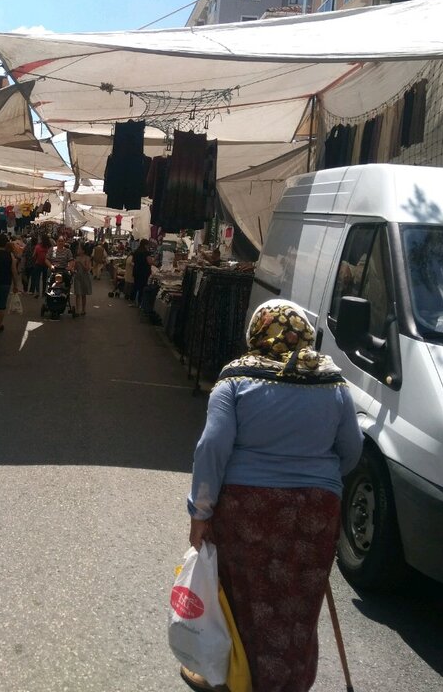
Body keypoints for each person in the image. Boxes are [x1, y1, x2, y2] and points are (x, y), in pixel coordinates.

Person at [185, 299, 362, 692]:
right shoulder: (333, 382)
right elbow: (351, 450)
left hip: (247, 510)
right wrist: (318, 483)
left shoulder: (234, 380)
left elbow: (211, 448)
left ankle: (235, 677)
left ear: (257, 332)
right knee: (298, 606)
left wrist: (200, 512)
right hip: (315, 511)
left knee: (244, 599)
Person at [130, 239, 155, 307]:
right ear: (145, 245)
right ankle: (140, 302)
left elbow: (132, 261)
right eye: (148, 244)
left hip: (136, 271)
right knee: (142, 287)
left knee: (136, 286)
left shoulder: (136, 251)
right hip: (144, 272)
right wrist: (154, 262)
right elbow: (149, 262)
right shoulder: (146, 252)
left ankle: (133, 301)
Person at [71, 241, 92, 317]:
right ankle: (77, 310)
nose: (78, 250)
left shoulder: (87, 258)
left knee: (83, 294)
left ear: (83, 250)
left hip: (85, 278)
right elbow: (74, 268)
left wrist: (81, 263)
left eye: (79, 249)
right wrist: (73, 267)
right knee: (77, 294)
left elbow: (87, 269)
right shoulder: (76, 258)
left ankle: (83, 309)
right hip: (78, 277)